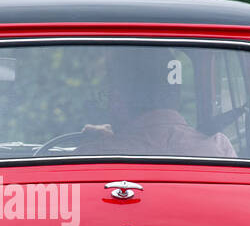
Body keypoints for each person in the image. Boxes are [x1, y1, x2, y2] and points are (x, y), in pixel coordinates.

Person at [72, 48, 237, 158]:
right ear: (174, 93)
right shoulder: (219, 148)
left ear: (117, 99)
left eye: (109, 95)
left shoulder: (94, 154)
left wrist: (96, 144)